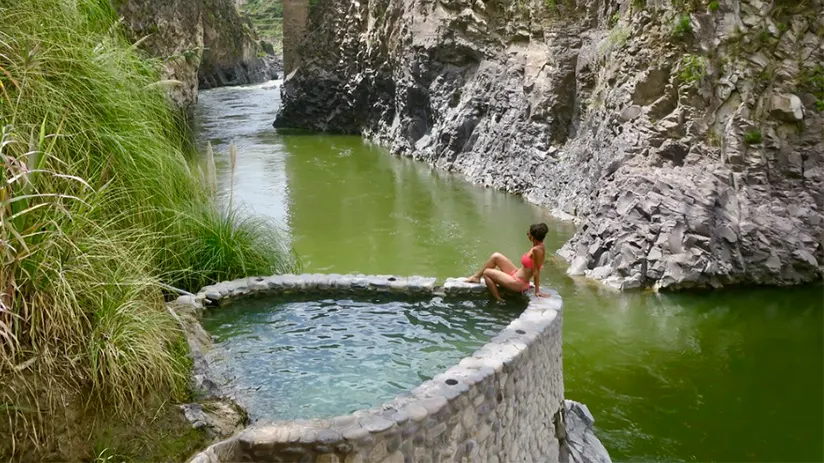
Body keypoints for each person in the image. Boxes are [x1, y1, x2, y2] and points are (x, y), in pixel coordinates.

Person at [465, 223, 551, 301]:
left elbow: (536, 271)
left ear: (533, 237)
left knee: (487, 272)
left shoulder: (537, 250)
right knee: (496, 256)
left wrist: (537, 290)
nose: (527, 235)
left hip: (518, 283)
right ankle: (476, 277)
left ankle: (499, 299)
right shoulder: (539, 245)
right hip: (517, 274)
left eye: (528, 234)